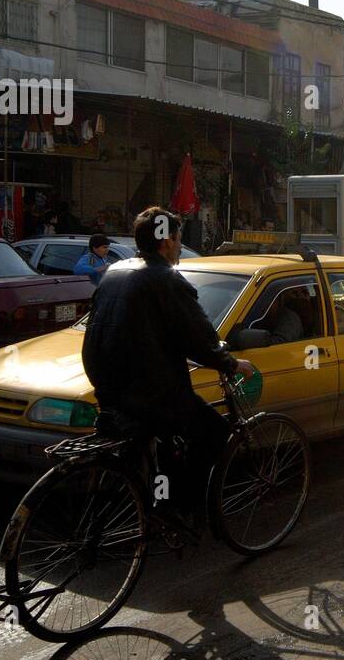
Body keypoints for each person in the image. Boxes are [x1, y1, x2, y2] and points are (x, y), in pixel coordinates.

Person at [81, 206, 255, 534]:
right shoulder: (166, 279)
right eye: (176, 238)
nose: (178, 245)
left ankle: (159, 499)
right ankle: (177, 505)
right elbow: (200, 337)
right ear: (166, 242)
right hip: (150, 390)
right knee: (214, 433)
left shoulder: (116, 272)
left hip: (107, 384)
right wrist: (230, 363)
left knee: (167, 438)